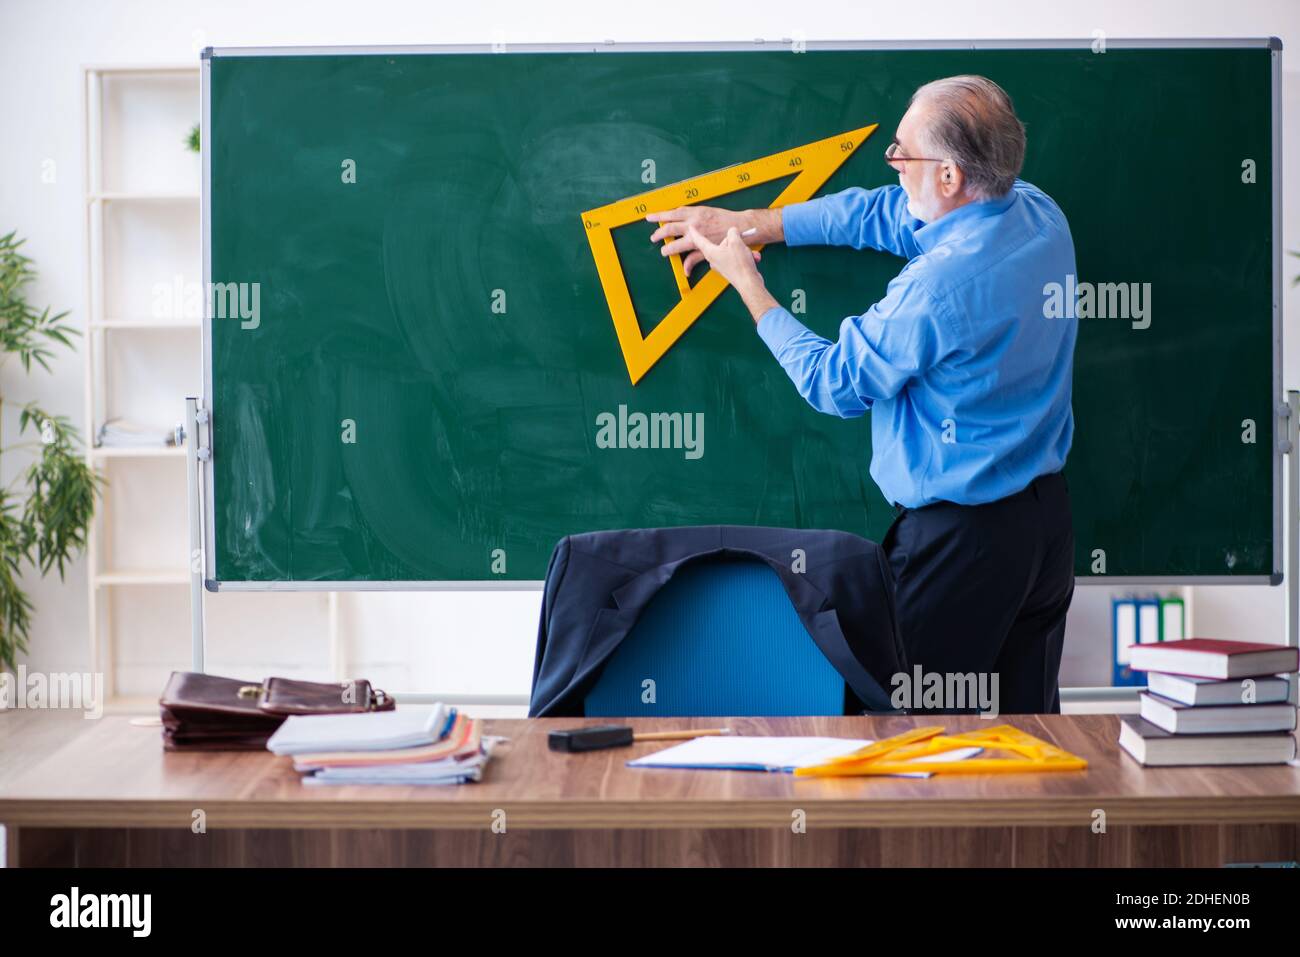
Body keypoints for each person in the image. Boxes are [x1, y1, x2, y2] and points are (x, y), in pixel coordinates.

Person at [647, 75, 1078, 713]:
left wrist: (747, 284)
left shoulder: (934, 292)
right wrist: (757, 223)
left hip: (963, 546)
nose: (894, 163)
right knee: (1028, 738)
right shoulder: (1038, 214)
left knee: (907, 734)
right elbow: (884, 212)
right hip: (1045, 529)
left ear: (952, 177)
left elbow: (833, 383)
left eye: (904, 153)